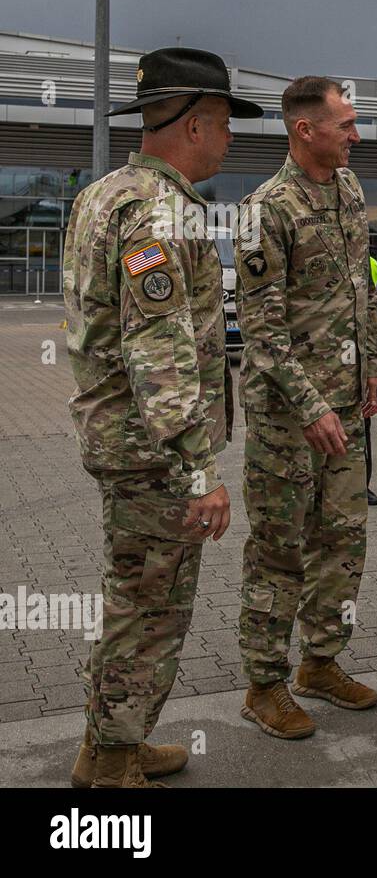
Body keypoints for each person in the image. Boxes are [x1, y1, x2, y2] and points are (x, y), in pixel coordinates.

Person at [64, 47, 262, 786]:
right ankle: (113, 767)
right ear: (198, 124)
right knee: (149, 609)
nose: (230, 140)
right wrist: (199, 471)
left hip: (124, 439)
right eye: (225, 125)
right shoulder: (161, 210)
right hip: (153, 453)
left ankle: (112, 739)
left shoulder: (103, 194)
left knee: (137, 598)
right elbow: (160, 352)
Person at [235, 76, 377, 738]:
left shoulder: (349, 192)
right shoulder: (264, 209)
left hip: (346, 406)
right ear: (306, 130)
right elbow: (261, 332)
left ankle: (320, 662)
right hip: (287, 417)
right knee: (279, 549)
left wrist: (376, 366)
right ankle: (264, 684)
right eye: (346, 124)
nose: (357, 135)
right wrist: (311, 405)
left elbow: (363, 288)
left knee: (343, 538)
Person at [365, 255, 377, 506]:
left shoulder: (364, 257)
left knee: (361, 426)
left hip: (354, 362)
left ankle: (362, 483)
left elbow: (371, 307)